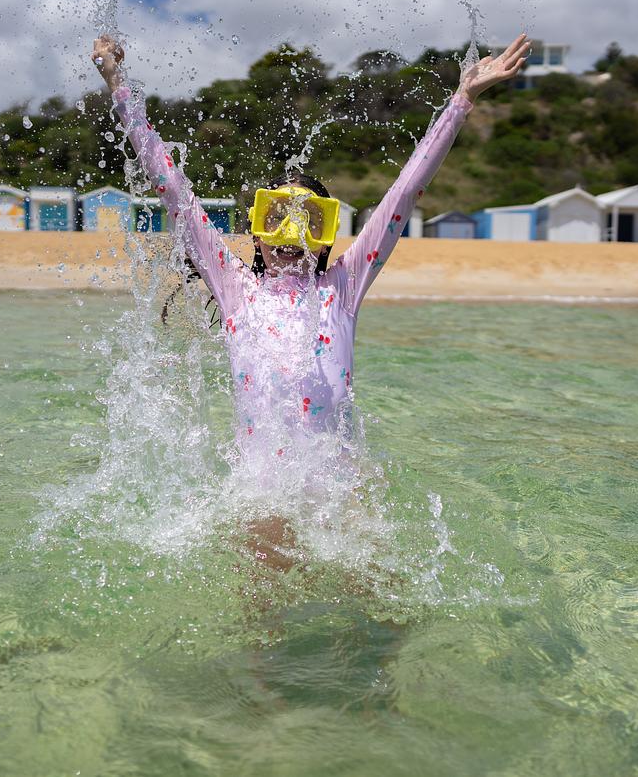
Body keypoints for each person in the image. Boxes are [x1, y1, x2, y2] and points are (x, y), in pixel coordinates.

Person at [91, 33, 529, 568]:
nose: (292, 237)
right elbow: (172, 186)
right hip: (263, 492)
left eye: (310, 221)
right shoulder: (236, 287)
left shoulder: (342, 288)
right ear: (253, 231)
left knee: (378, 618)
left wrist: (461, 101)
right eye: (276, 219)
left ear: (327, 234)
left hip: (341, 491)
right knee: (265, 635)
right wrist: (118, 86)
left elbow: (406, 191)